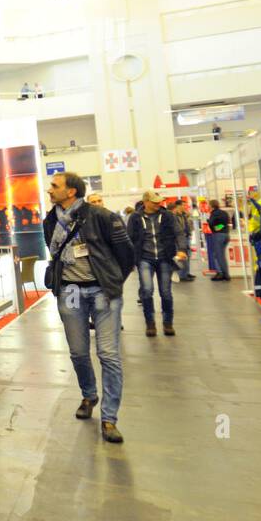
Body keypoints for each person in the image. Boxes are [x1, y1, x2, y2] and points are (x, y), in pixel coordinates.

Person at [43, 172, 135, 443]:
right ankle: (89, 394)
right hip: (70, 291)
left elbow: (126, 253)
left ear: (71, 192)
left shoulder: (101, 216)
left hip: (102, 291)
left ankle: (109, 419)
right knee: (78, 352)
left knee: (108, 354)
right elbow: (53, 252)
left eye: (55, 186)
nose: (50, 190)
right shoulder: (50, 220)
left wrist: (112, 282)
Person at [127, 190, 185, 336]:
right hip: (144, 259)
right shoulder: (135, 217)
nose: (158, 204)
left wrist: (182, 249)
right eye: (154, 201)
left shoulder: (168, 215)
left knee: (165, 292)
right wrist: (130, 258)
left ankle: (167, 323)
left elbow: (179, 233)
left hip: (165, 257)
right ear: (146, 202)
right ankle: (150, 323)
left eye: (159, 201)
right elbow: (129, 237)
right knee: (146, 291)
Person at [172, 200, 195, 282]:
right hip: (180, 239)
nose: (185, 207)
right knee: (182, 256)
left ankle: (186, 273)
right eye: (183, 205)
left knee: (187, 256)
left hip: (186, 237)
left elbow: (187, 225)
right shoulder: (174, 216)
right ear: (178, 206)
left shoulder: (184, 215)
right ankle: (182, 275)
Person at [209, 200, 231, 280]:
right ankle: (225, 273)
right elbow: (226, 223)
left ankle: (222, 274)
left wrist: (215, 229)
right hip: (226, 235)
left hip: (218, 236)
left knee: (218, 256)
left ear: (211, 206)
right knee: (221, 255)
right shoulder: (224, 212)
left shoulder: (214, 213)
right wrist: (221, 227)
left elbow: (211, 223)